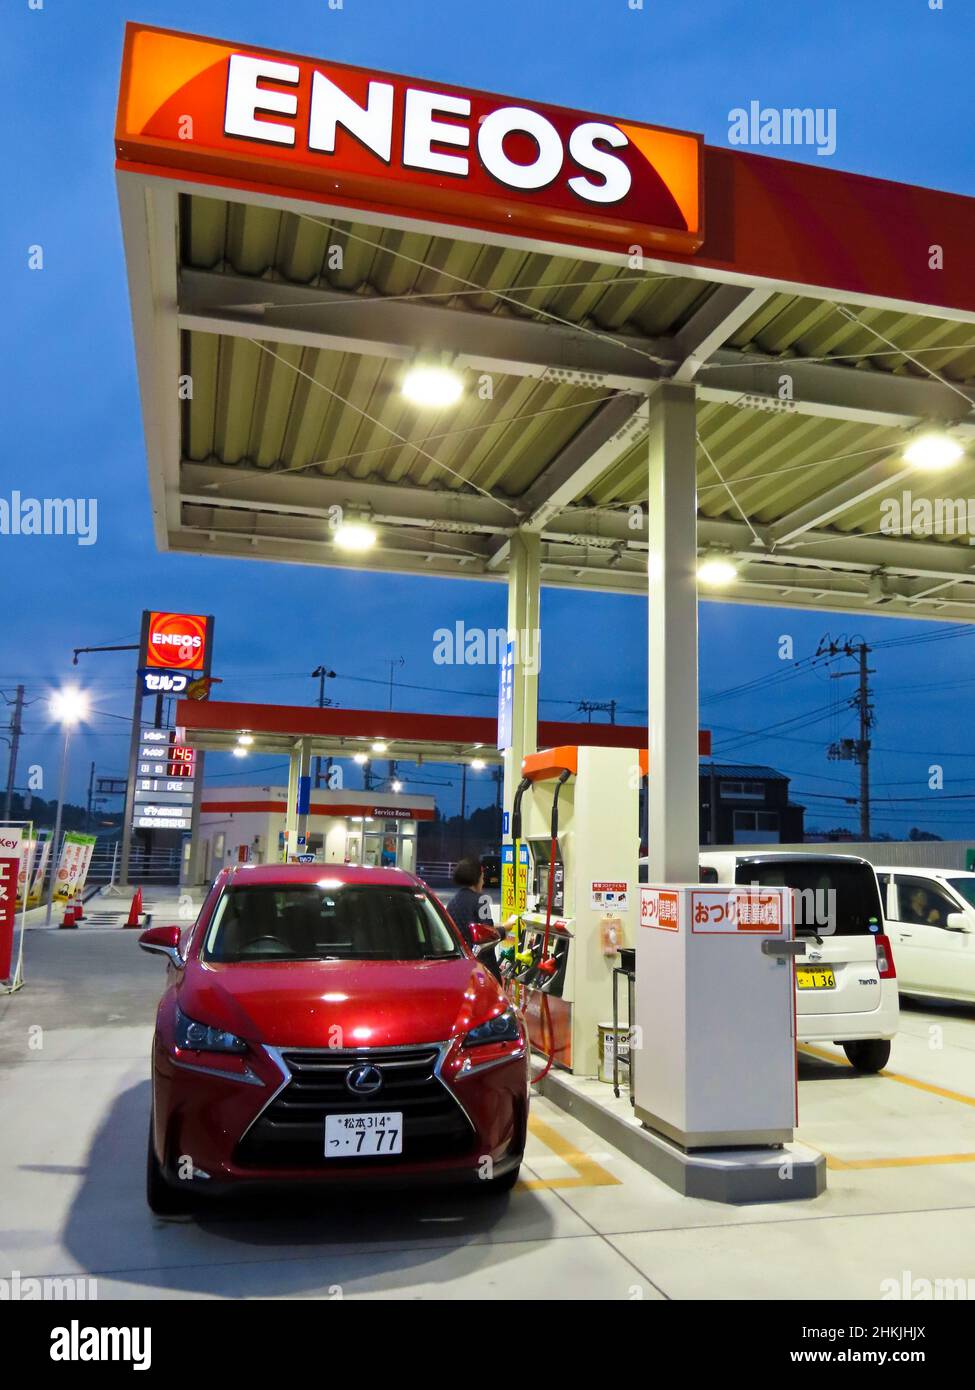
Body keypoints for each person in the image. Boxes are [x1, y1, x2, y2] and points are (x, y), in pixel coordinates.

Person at [445, 857, 501, 978]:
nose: (483, 881)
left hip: (460, 966)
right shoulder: (481, 900)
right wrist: (505, 929)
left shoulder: (452, 902)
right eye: (482, 877)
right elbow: (488, 935)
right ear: (476, 879)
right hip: (482, 968)